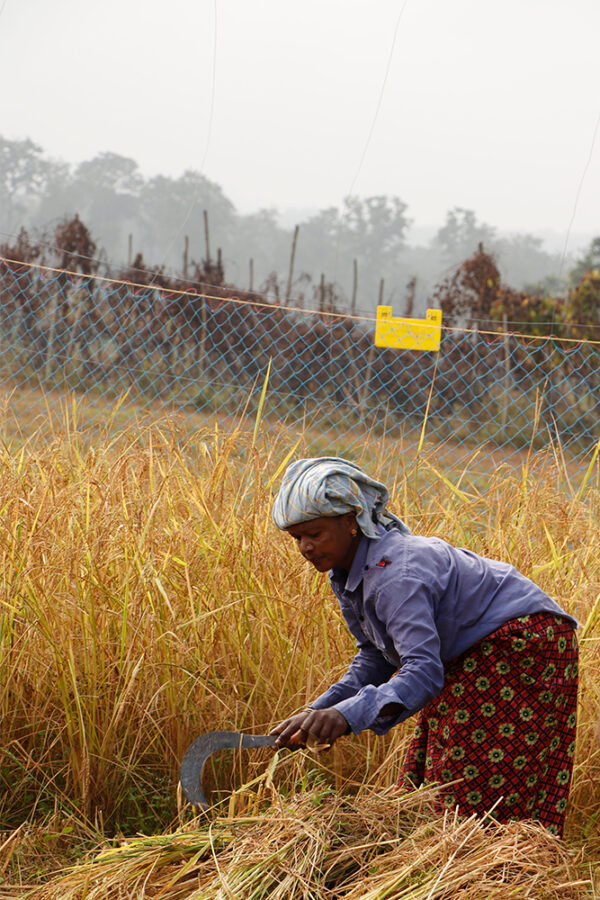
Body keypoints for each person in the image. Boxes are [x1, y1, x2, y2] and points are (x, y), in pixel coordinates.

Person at [269, 457, 578, 836]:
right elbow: (375, 656)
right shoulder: (348, 573)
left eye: (314, 533)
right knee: (428, 780)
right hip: (475, 651)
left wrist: (347, 716)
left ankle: (490, 874)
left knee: (468, 783)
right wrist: (320, 711)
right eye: (296, 537)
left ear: (351, 520)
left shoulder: (396, 573)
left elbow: (424, 671)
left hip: (521, 643)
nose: (305, 547)